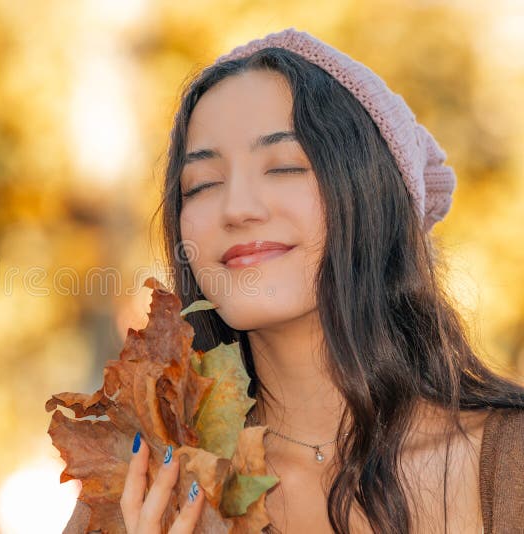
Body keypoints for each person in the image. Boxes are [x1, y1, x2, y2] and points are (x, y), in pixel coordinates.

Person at [64, 28, 524, 533]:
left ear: (373, 199)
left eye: (283, 167)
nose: (237, 208)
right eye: (204, 184)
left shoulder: (508, 461)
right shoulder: (148, 487)